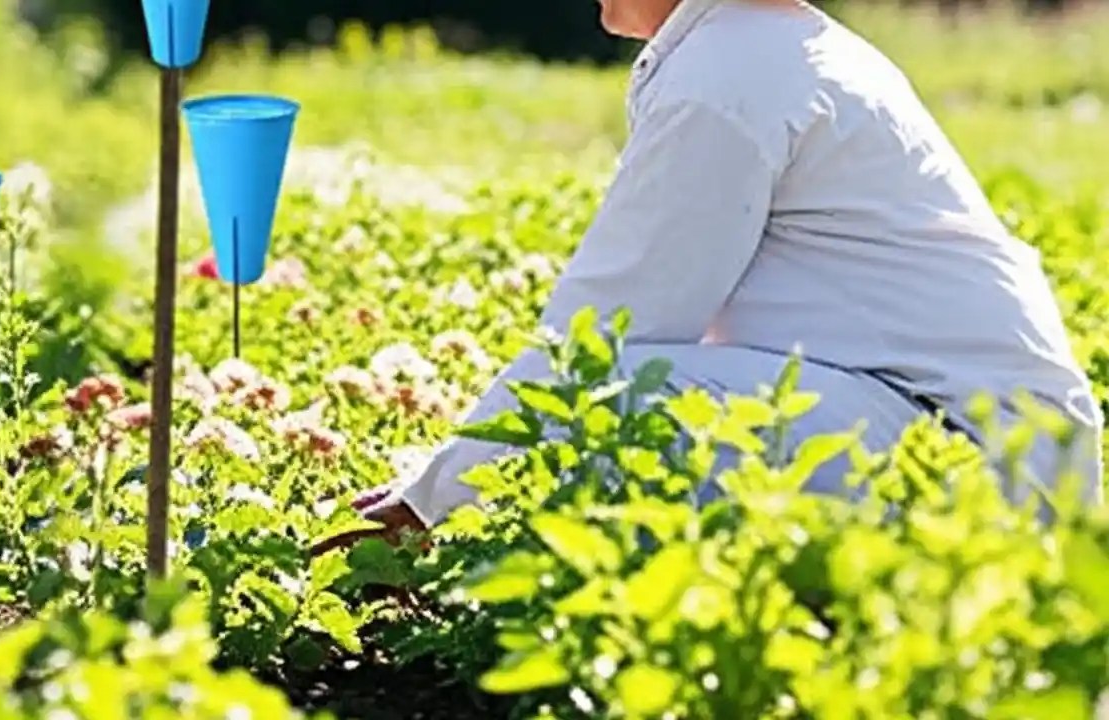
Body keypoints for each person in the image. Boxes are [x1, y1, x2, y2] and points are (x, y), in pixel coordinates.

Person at [319, 0, 1105, 552]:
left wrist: (431, 507)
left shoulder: (727, 75)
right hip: (975, 446)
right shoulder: (751, 45)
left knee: (611, 399)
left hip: (973, 462)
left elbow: (604, 332)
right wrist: (449, 480)